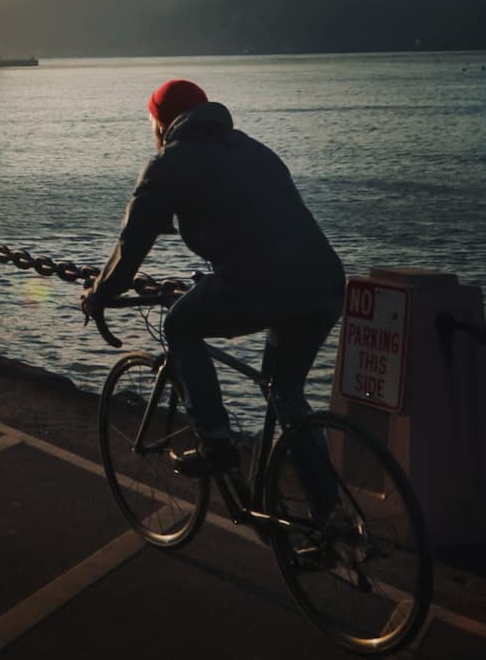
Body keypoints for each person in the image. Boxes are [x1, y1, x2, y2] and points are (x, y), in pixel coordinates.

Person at [80, 79, 345, 484]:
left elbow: (130, 247)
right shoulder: (256, 150)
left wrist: (99, 295)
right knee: (286, 396)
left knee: (179, 326)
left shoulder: (168, 163)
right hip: (323, 281)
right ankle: (332, 524)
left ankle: (215, 441)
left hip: (259, 283)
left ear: (161, 123)